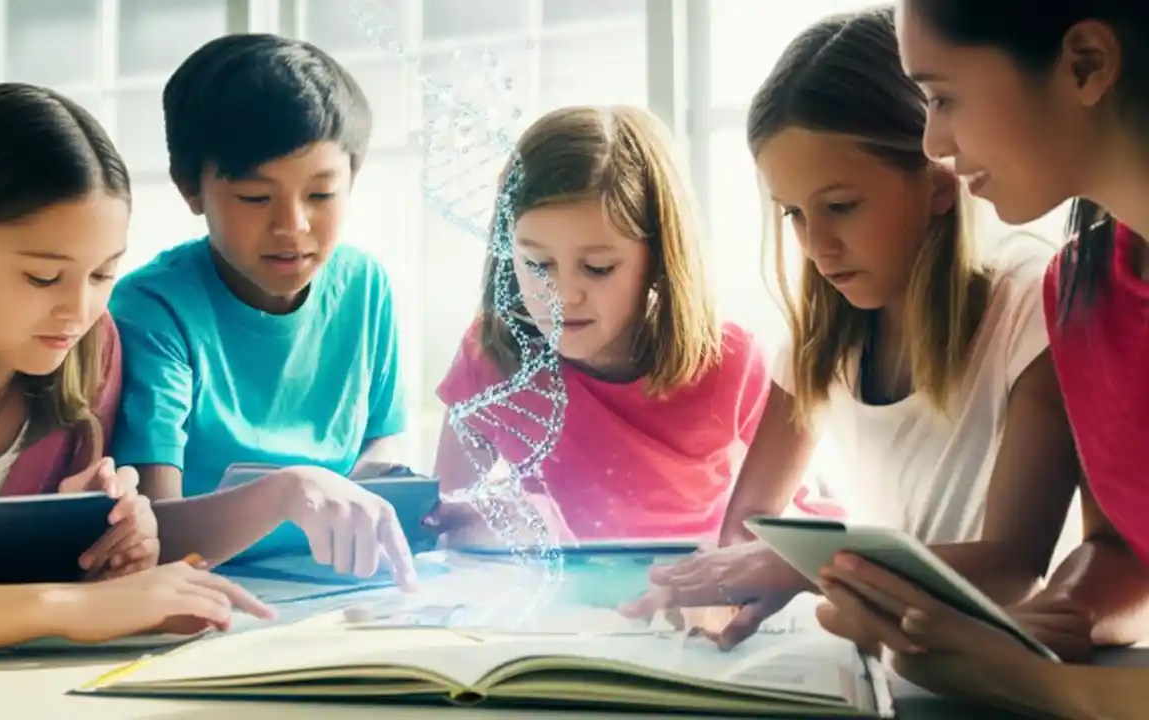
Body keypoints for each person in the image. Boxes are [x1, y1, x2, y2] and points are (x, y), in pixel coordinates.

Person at [621, 7, 1079, 650]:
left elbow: (1010, 567)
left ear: (940, 184)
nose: (818, 246)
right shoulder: (820, 343)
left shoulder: (1031, 309)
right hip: (890, 662)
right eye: (794, 216)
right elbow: (748, 525)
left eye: (841, 206)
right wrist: (723, 587)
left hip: (1006, 669)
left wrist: (803, 567)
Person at [814, 2, 1149, 717]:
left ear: (1087, 62)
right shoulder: (1084, 291)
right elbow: (1125, 546)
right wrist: (1035, 629)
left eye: (942, 97)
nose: (933, 141)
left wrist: (1034, 682)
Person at [0, 83, 271, 663]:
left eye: (103, 275)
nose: (78, 312)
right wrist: (67, 607)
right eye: (42, 277)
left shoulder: (88, 350)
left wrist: (104, 553)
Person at [110, 35, 416, 587]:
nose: (293, 226)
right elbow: (151, 534)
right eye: (255, 198)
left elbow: (381, 443)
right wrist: (287, 493)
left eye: (321, 196)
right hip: (209, 592)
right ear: (190, 188)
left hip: (333, 588)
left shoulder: (364, 286)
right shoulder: (154, 309)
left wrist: (403, 494)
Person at [426, 105, 770, 546]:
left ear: (660, 259)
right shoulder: (491, 354)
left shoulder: (731, 361)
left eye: (598, 267)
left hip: (698, 600)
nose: (564, 295)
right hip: (561, 604)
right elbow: (444, 519)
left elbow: (787, 518)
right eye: (537, 264)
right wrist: (496, 519)